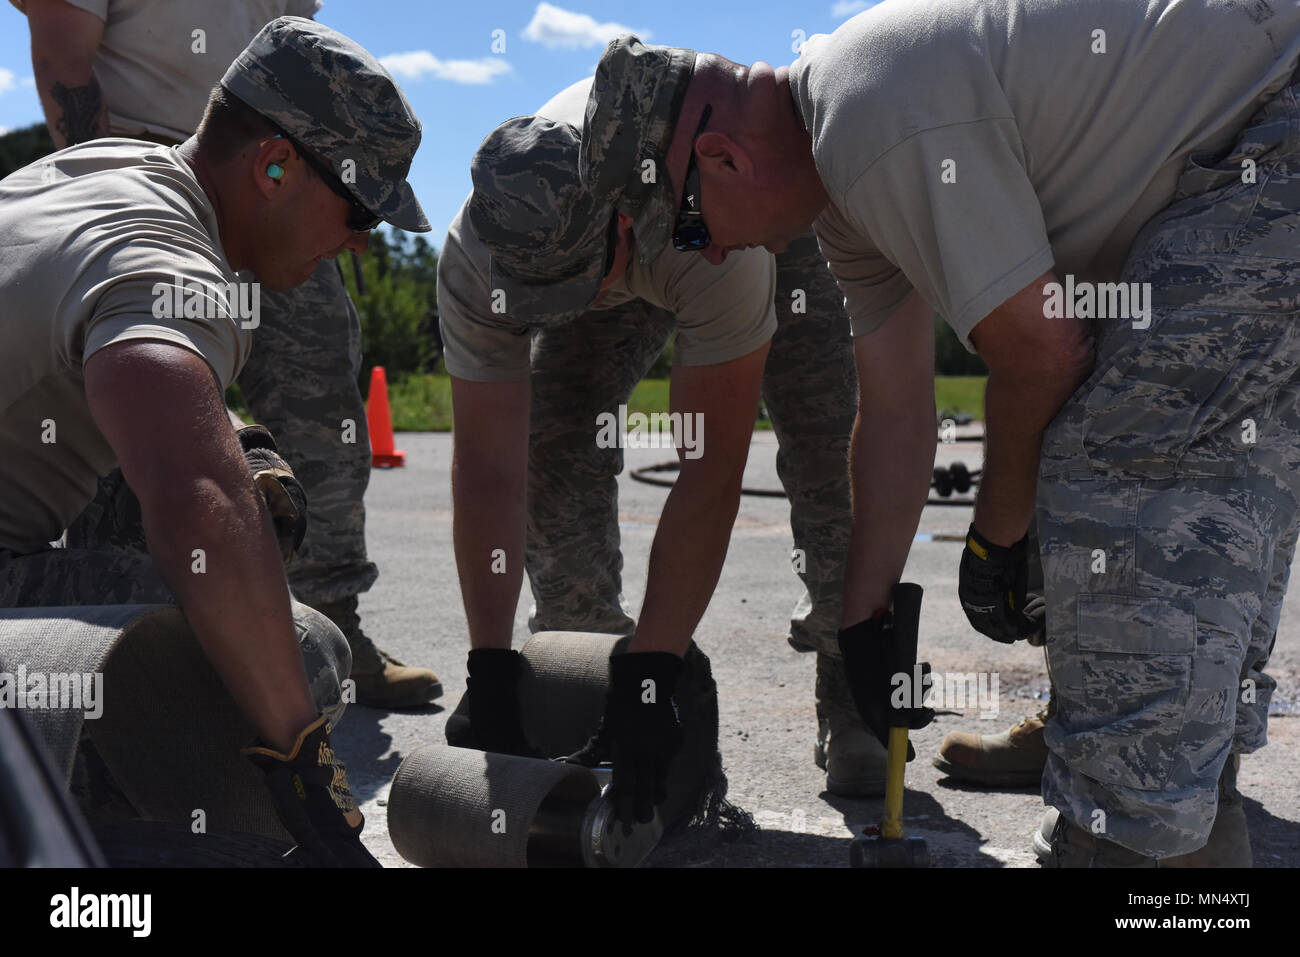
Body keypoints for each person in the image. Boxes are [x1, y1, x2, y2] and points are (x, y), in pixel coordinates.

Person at [578, 0, 1300, 865]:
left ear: (722, 156)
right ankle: (1174, 795)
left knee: (1117, 469)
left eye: (693, 231)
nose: (718, 257)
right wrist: (862, 623)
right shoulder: (843, 181)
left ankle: (1137, 827)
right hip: (1257, 155)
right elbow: (895, 411)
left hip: (1274, 138)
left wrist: (998, 540)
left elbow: (1044, 352)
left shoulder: (866, 117)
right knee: (1200, 504)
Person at [0, 15, 431, 866]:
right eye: (359, 213)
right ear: (273, 166)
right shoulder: (177, 268)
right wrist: (307, 768)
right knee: (299, 653)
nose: (355, 243)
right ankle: (82, 828)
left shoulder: (92, 171)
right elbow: (194, 493)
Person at [437, 77, 870, 819]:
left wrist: (657, 673)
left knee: (827, 445)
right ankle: (580, 669)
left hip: (742, 222)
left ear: (620, 234)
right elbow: (488, 469)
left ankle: (852, 687)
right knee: (555, 446)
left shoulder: (722, 245)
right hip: (585, 247)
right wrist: (491, 666)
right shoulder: (478, 260)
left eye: (573, 290)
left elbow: (709, 472)